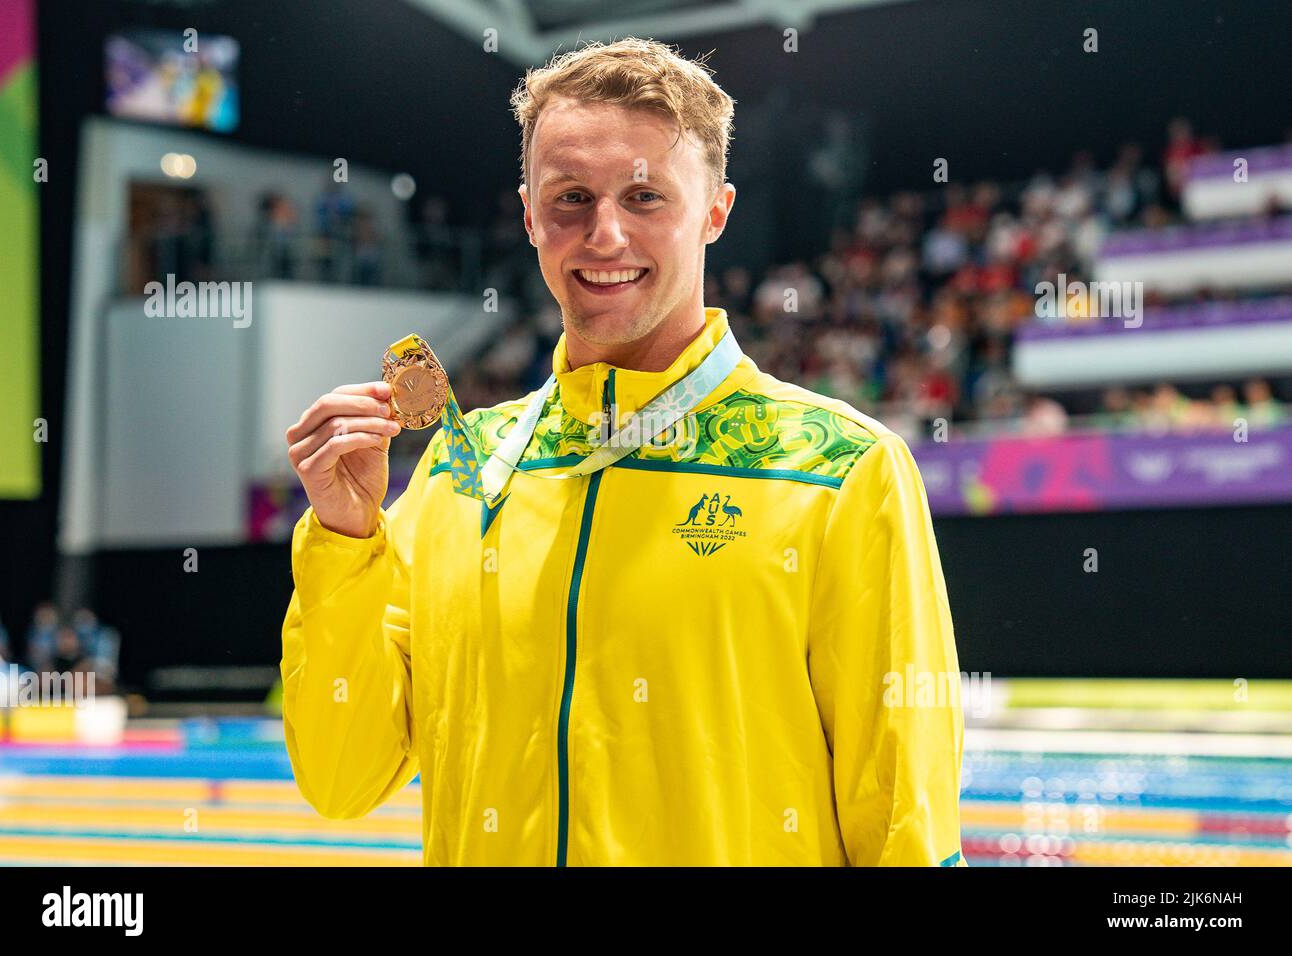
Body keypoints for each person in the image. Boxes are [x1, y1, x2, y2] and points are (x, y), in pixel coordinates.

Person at [280, 38, 966, 867]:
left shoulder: (840, 472)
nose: (604, 235)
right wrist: (344, 541)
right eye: (571, 198)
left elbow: (904, 828)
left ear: (715, 212)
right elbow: (342, 778)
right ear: (530, 215)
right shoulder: (464, 471)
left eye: (645, 196)